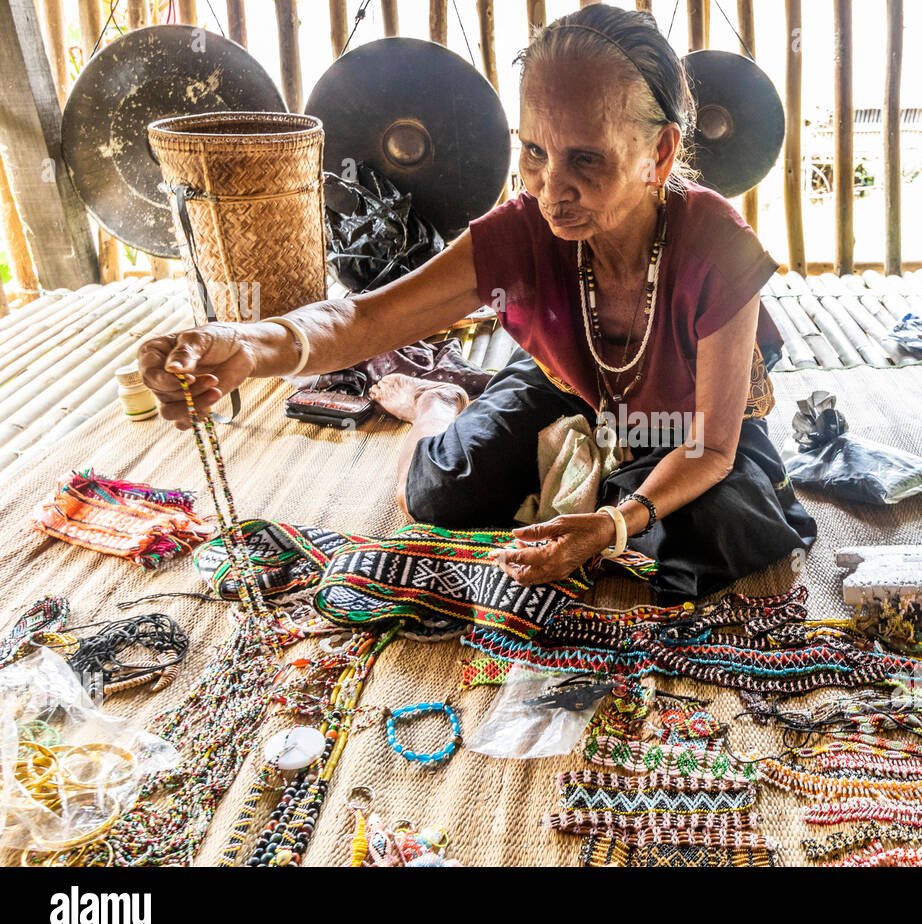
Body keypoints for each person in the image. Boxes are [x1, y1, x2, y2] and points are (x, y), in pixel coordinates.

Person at [137, 4, 816, 600]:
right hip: (564, 381)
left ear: (659, 153)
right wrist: (246, 343)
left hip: (683, 415)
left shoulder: (715, 242)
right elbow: (363, 317)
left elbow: (713, 447)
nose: (553, 190)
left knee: (712, 528)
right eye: (535, 153)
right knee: (435, 496)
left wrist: (614, 522)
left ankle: (601, 484)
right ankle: (437, 402)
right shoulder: (523, 231)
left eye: (587, 160)